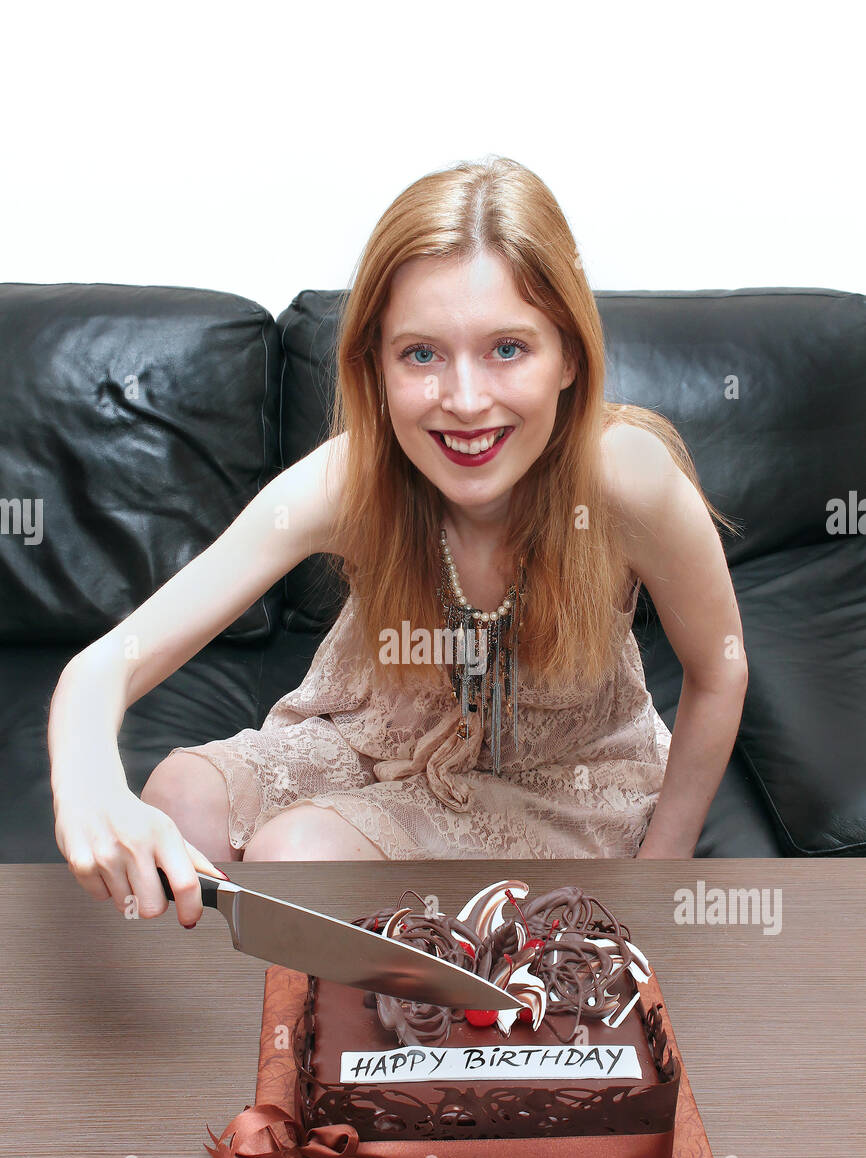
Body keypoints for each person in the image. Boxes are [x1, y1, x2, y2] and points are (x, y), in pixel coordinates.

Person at [48, 155, 747, 929]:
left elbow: (720, 670)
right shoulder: (355, 481)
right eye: (422, 354)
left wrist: (660, 872)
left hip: (560, 780)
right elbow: (109, 661)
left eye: (507, 349)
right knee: (178, 799)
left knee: (292, 860)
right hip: (380, 741)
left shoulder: (628, 481)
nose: (466, 401)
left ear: (571, 357)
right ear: (375, 367)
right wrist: (87, 787)